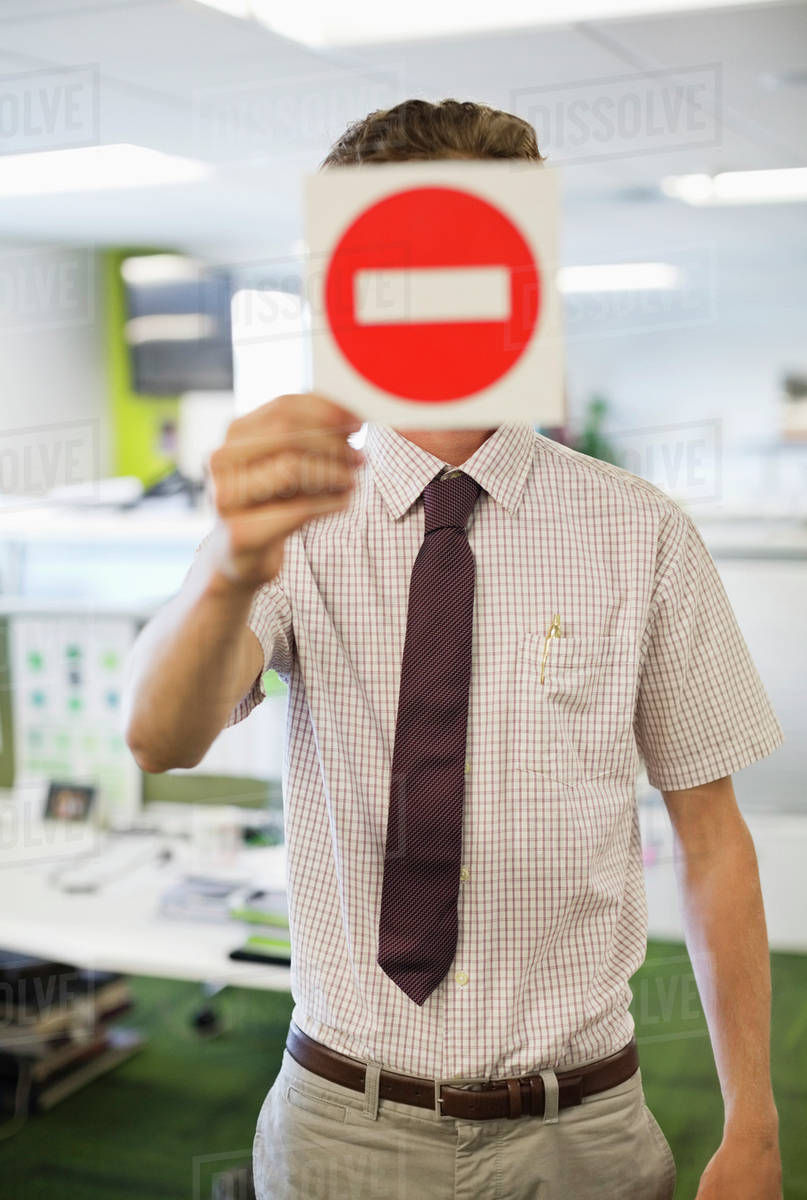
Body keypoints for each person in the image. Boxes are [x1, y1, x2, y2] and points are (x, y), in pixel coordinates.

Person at [123, 100, 784, 1200]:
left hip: (583, 1123)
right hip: (343, 1118)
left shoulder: (642, 531)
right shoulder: (286, 521)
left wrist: (753, 1120)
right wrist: (229, 566)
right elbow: (159, 734)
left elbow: (712, 842)